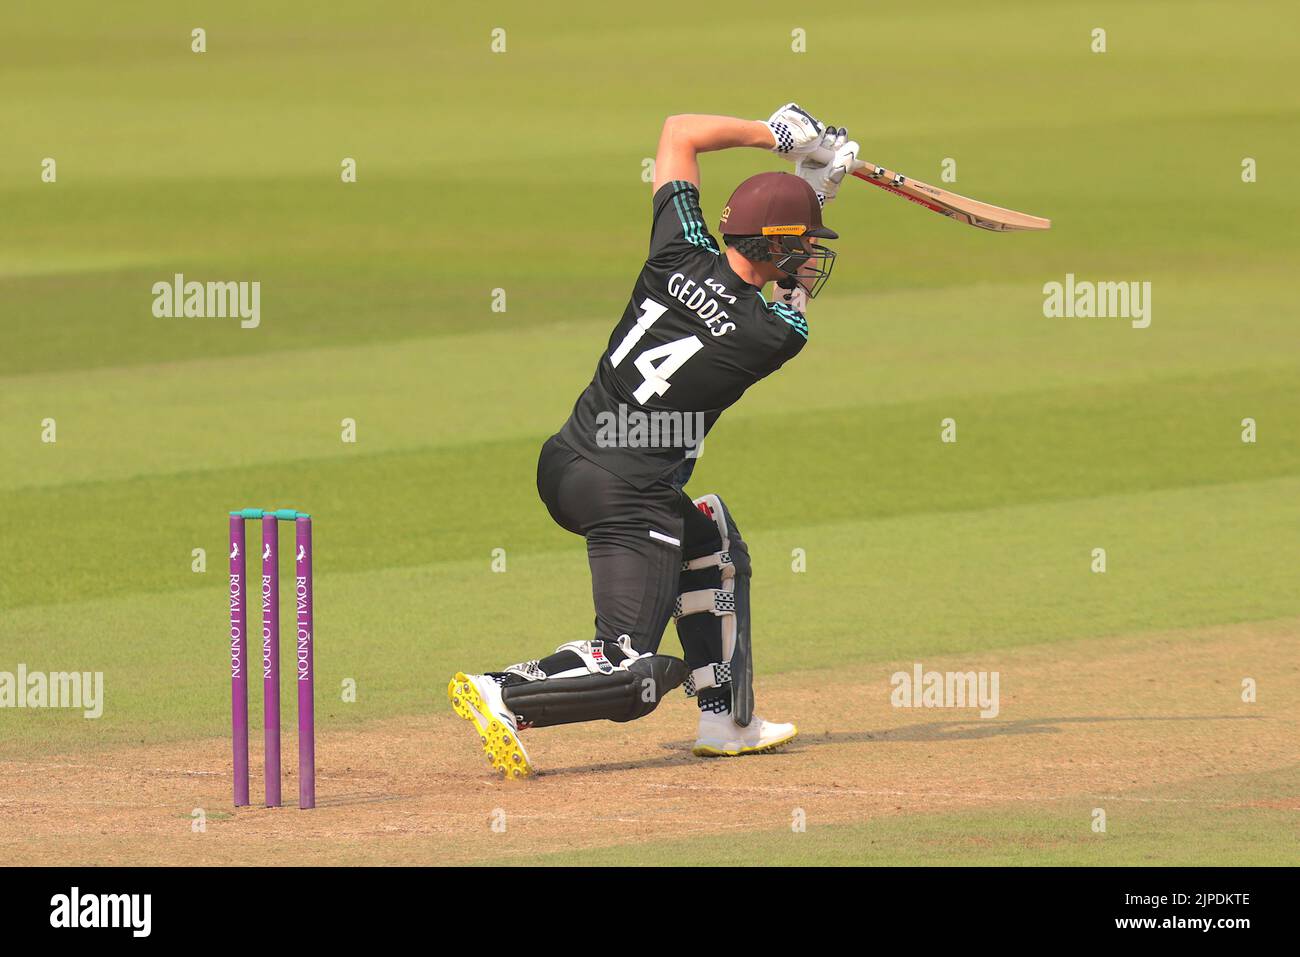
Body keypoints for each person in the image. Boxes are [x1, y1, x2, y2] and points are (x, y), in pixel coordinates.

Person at [448, 103, 859, 777]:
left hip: (567, 459)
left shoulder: (677, 249)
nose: (813, 252)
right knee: (633, 669)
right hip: (627, 493)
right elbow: (794, 286)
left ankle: (728, 718)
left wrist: (778, 138)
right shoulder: (771, 336)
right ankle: (506, 692)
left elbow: (678, 132)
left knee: (711, 543)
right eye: (806, 240)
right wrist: (819, 186)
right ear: (782, 249)